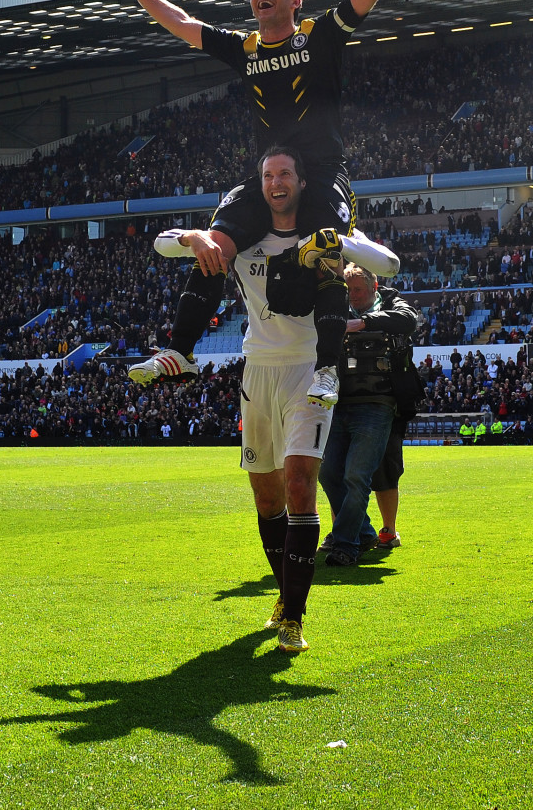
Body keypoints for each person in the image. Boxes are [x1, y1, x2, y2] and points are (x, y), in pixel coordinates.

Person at [116, 0, 429, 407]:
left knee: (324, 251)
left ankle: (326, 371)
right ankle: (181, 352)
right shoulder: (245, 48)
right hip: (268, 176)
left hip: (323, 172)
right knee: (213, 249)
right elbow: (182, 23)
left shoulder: (319, 35)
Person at [150, 146, 395, 654]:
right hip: (256, 370)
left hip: (310, 370)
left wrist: (344, 241)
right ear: (259, 185)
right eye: (268, 175)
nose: (276, 181)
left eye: (286, 172)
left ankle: (295, 618)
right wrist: (196, 236)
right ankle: (285, 598)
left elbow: (386, 264)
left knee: (301, 484)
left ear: (302, 183)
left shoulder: (321, 234)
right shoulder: (240, 236)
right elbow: (163, 244)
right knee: (266, 498)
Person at [317, 263, 418, 565]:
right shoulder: (335, 305)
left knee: (357, 474)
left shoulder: (392, 302)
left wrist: (365, 322)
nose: (352, 296)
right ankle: (361, 532)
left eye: (358, 290)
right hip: (338, 400)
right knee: (329, 472)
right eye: (348, 290)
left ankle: (347, 544)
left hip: (379, 401)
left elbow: (408, 319)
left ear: (374, 287)